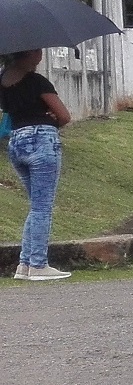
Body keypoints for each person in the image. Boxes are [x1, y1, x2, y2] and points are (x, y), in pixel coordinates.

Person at [3, 48, 73, 281]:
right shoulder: (36, 81)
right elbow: (63, 115)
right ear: (30, 53)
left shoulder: (3, 81)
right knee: (43, 207)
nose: (41, 55)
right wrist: (50, 118)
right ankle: (38, 264)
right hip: (42, 140)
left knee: (36, 206)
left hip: (17, 141)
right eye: (39, 51)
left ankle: (24, 263)